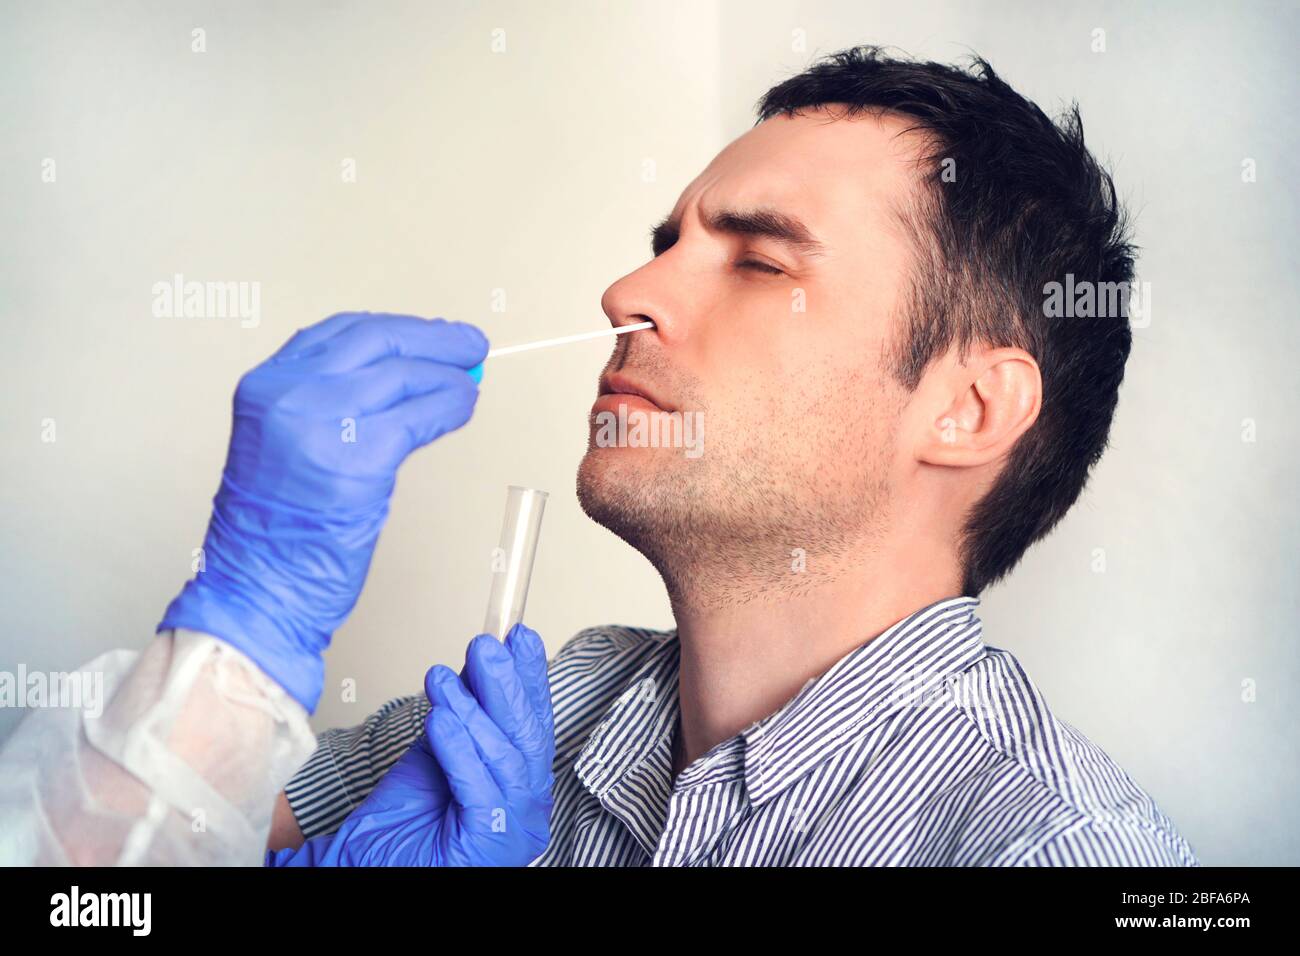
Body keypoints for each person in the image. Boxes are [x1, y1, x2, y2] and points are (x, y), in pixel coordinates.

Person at [0, 45, 1199, 867]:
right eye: (666, 241)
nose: (628, 291)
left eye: (761, 260)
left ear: (969, 409)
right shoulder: (524, 713)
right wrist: (243, 628)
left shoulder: (1053, 846)